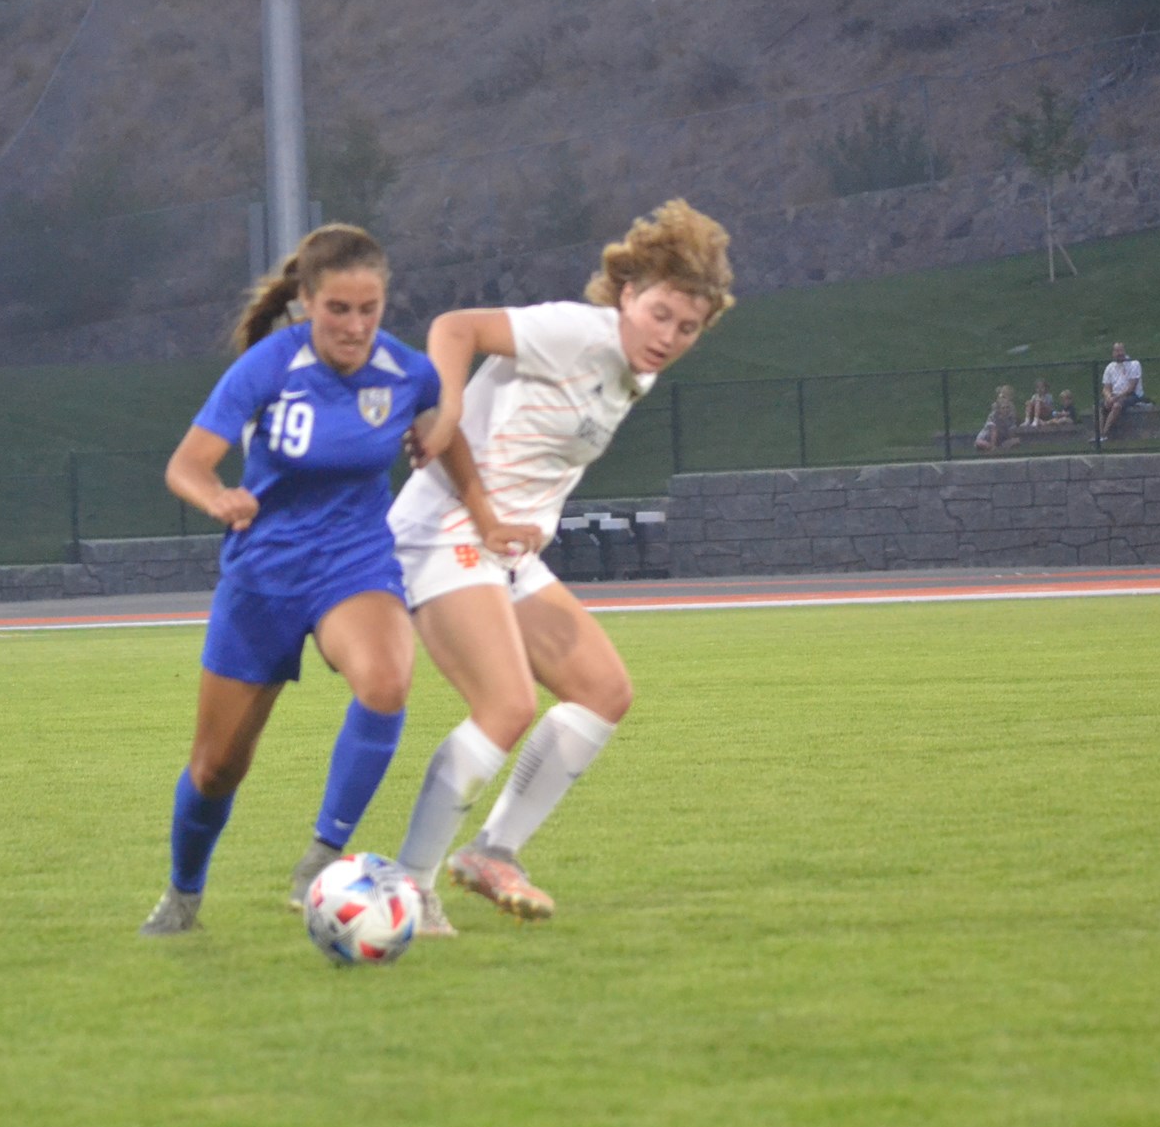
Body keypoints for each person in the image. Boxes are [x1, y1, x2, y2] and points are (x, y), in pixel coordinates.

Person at [377, 198, 734, 930]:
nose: (669, 336)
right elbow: (455, 327)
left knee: (603, 689)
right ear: (629, 294)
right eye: (660, 313)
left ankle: (492, 850)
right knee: (506, 707)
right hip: (442, 531)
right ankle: (409, 886)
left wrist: (515, 521)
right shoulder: (578, 331)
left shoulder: (639, 371)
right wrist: (442, 411)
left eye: (689, 327)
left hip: (501, 547)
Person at [138, 224, 454, 938]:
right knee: (216, 768)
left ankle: (321, 858)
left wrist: (486, 511)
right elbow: (186, 464)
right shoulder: (268, 367)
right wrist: (217, 497)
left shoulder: (407, 372)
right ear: (307, 302)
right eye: (338, 308)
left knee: (387, 678)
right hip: (264, 577)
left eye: (369, 307)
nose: (355, 324)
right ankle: (183, 894)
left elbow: (445, 432)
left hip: (355, 565)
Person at [1098, 341, 1143, 439]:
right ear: (1113, 353)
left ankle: (1105, 433)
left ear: (1124, 351)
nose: (1119, 353)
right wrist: (1109, 397)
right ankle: (1099, 434)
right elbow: (1106, 388)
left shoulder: (1134, 364)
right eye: (1116, 351)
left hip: (1131, 395)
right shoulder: (1110, 367)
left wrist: (1116, 398)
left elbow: (1131, 387)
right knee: (1098, 407)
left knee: (1117, 406)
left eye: (1121, 350)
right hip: (1114, 395)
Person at [974, 384, 1019, 453]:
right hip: (987, 438)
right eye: (1003, 408)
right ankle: (992, 447)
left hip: (1001, 439)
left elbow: (1011, 431)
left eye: (1007, 408)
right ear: (999, 409)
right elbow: (993, 430)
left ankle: (999, 448)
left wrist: (1011, 439)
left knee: (1016, 441)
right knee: (979, 442)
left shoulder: (1010, 416)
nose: (1006, 410)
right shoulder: (994, 416)